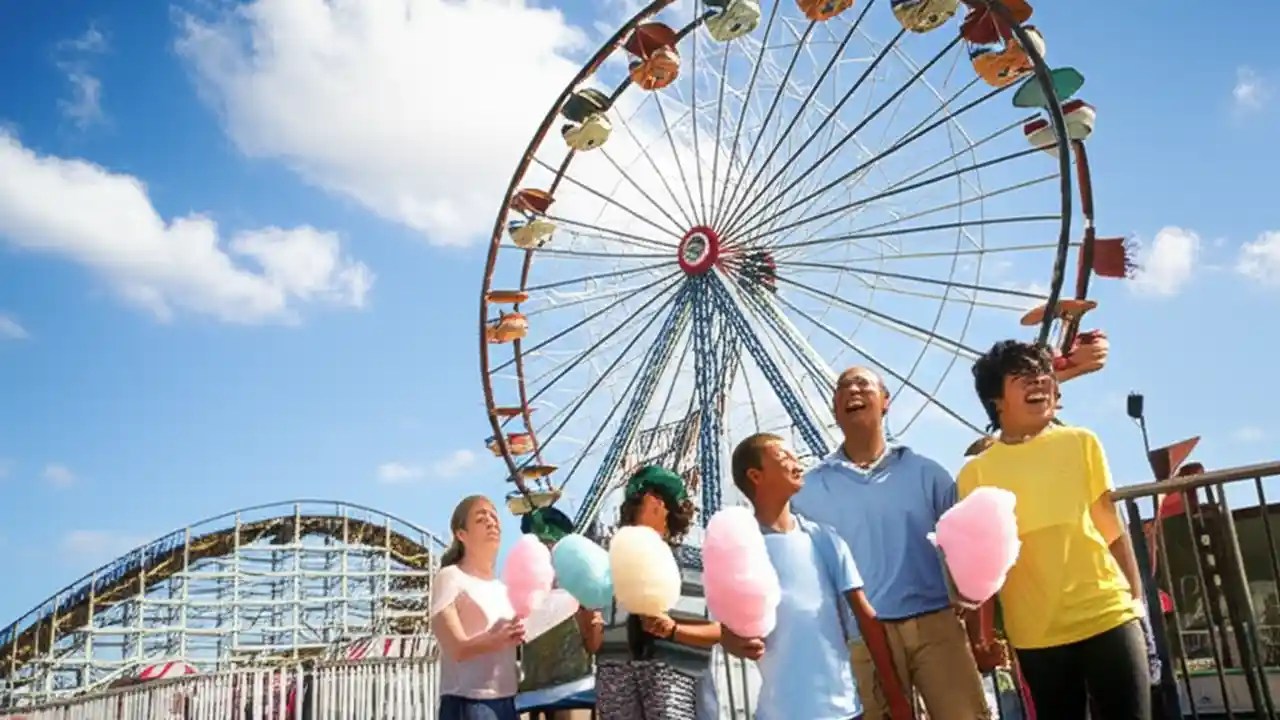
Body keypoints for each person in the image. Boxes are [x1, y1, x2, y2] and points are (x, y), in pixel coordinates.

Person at [958, 340, 1148, 719]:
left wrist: (1136, 601)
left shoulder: (1081, 442)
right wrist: (983, 636)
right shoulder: (975, 474)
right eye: (1023, 376)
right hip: (1036, 631)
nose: (1039, 383)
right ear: (997, 398)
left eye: (1044, 375)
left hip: (1107, 612)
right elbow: (985, 568)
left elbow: (1111, 530)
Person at [794, 366, 993, 720]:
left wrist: (980, 635)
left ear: (886, 402)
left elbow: (968, 555)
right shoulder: (807, 491)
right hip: (860, 637)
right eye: (843, 387)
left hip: (936, 624)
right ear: (834, 408)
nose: (852, 390)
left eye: (863, 384)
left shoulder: (927, 473)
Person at [719, 432, 909, 720]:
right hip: (777, 712)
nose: (797, 463)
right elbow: (725, 628)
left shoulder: (824, 538)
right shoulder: (738, 546)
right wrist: (731, 640)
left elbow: (866, 618)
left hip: (842, 709)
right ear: (755, 476)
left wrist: (895, 696)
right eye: (783, 457)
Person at [576, 466, 719, 719]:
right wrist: (586, 615)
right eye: (642, 498)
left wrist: (673, 630)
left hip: (676, 680)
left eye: (656, 498)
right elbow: (595, 643)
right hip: (616, 680)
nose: (650, 504)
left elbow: (721, 630)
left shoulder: (693, 563)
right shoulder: (607, 567)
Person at [430, 495, 525, 720]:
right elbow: (456, 648)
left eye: (494, 516)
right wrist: (497, 639)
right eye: (481, 518)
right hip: (470, 703)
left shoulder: (503, 588)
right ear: (461, 534)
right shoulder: (450, 577)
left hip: (509, 702)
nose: (491, 522)